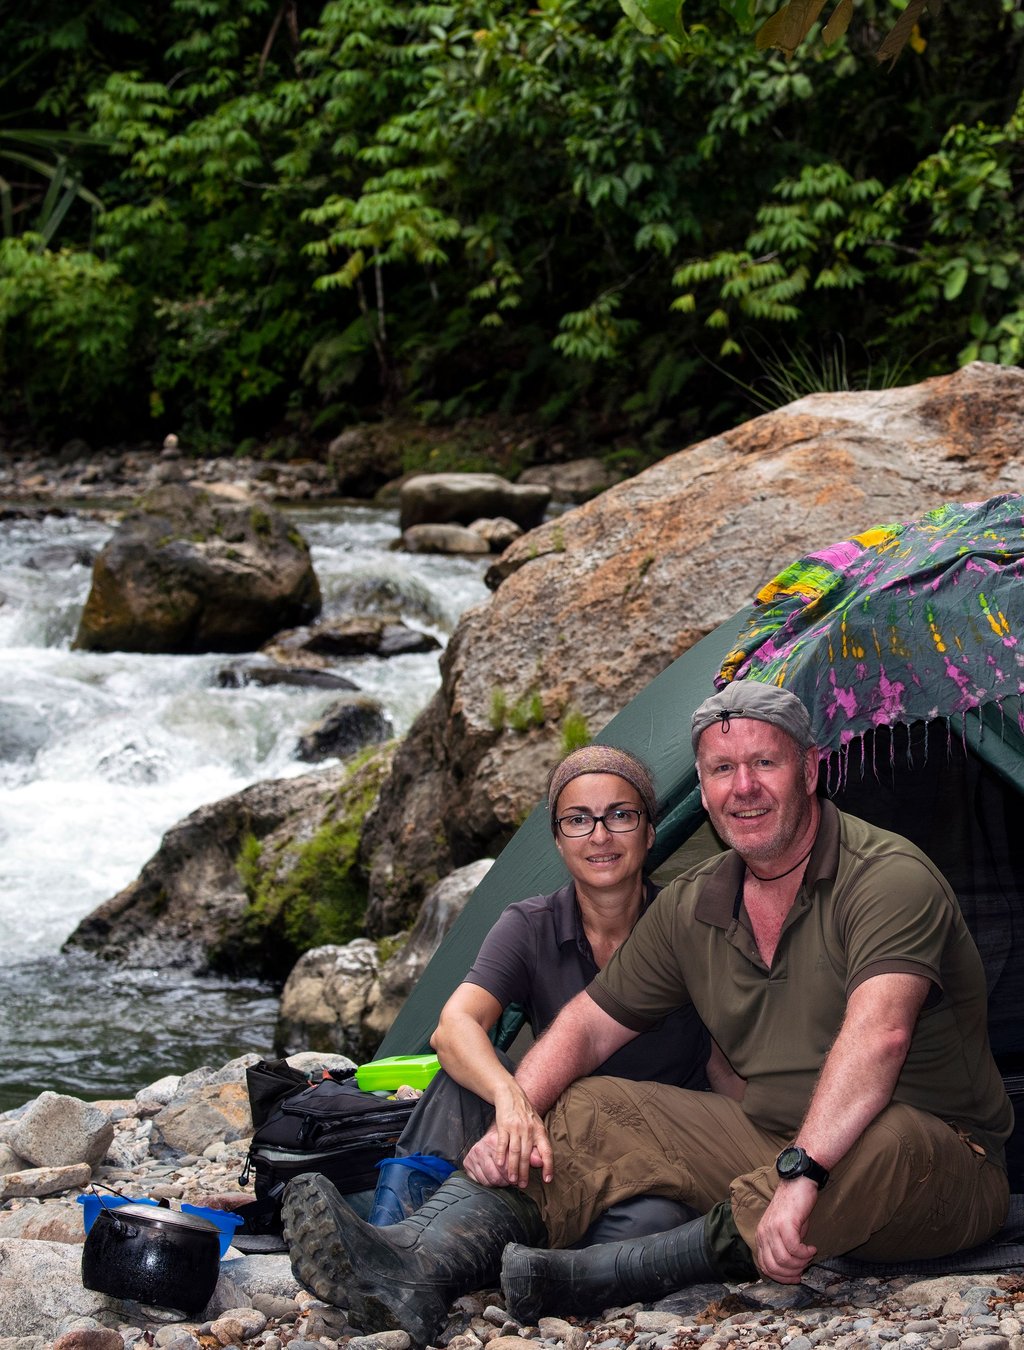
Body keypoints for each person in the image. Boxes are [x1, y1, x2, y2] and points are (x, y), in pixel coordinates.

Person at [282, 683, 1013, 1348]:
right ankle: (416, 1261)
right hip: (766, 1136)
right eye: (723, 771)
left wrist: (802, 1174)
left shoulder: (887, 877)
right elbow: (587, 1025)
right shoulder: (698, 899)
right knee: (592, 1103)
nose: (744, 788)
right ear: (701, 786)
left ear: (812, 769)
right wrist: (518, 1114)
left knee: (878, 1140)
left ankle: (599, 1275)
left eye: (765, 763)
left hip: (941, 1158)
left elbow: (879, 1035)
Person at [368, 745, 719, 1234]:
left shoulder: (689, 926)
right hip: (545, 1127)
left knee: (649, 1227)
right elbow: (454, 1027)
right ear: (558, 840)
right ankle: (387, 1243)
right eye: (578, 820)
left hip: (648, 1148)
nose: (599, 835)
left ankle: (510, 1251)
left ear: (650, 830)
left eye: (620, 815)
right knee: (458, 1086)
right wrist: (511, 1098)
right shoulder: (530, 925)